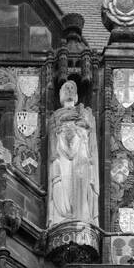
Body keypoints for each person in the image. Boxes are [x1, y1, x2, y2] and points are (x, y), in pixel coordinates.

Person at [48, 81, 100, 226]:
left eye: (72, 88)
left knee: (81, 181)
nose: (69, 91)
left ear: (77, 95)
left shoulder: (85, 112)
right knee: (62, 182)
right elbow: (53, 131)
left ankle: (83, 215)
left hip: (80, 151)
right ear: (61, 94)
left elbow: (89, 128)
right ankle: (62, 216)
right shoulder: (56, 115)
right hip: (62, 152)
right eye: (66, 88)